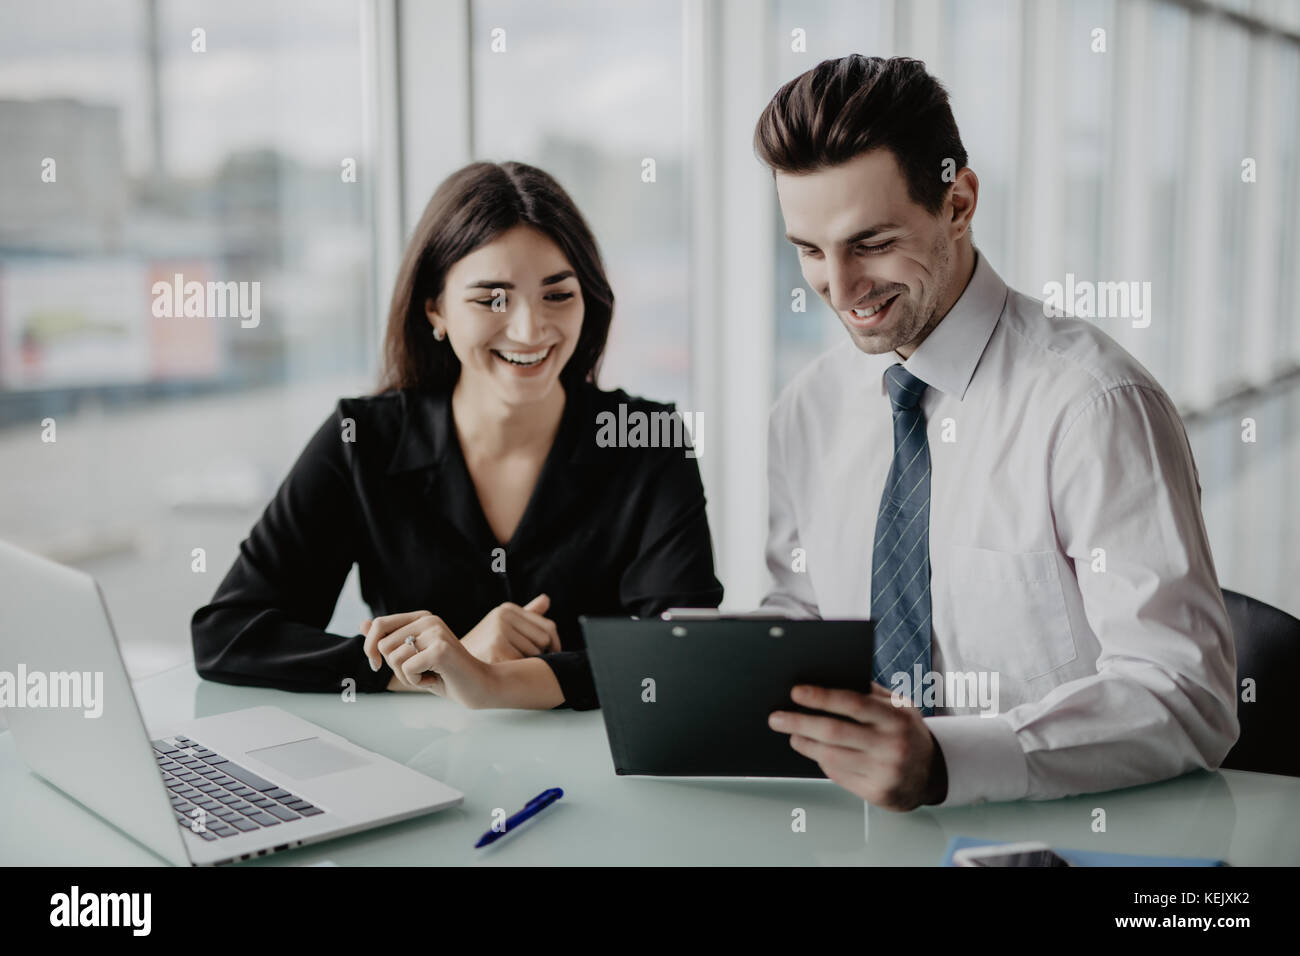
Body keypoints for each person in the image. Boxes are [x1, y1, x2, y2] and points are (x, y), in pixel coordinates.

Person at [756, 55, 1238, 809]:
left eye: (872, 243)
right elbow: (805, 612)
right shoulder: (807, 409)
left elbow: (1187, 695)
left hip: (1068, 837)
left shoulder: (1093, 405)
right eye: (811, 252)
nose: (840, 290)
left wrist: (945, 761)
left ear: (958, 202)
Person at [191, 161, 722, 710]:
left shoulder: (646, 438)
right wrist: (428, 667)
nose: (529, 329)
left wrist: (491, 681)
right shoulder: (362, 439)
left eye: (558, 295)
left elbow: (681, 654)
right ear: (435, 309)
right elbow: (228, 634)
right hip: (423, 770)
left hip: (608, 776)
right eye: (492, 298)